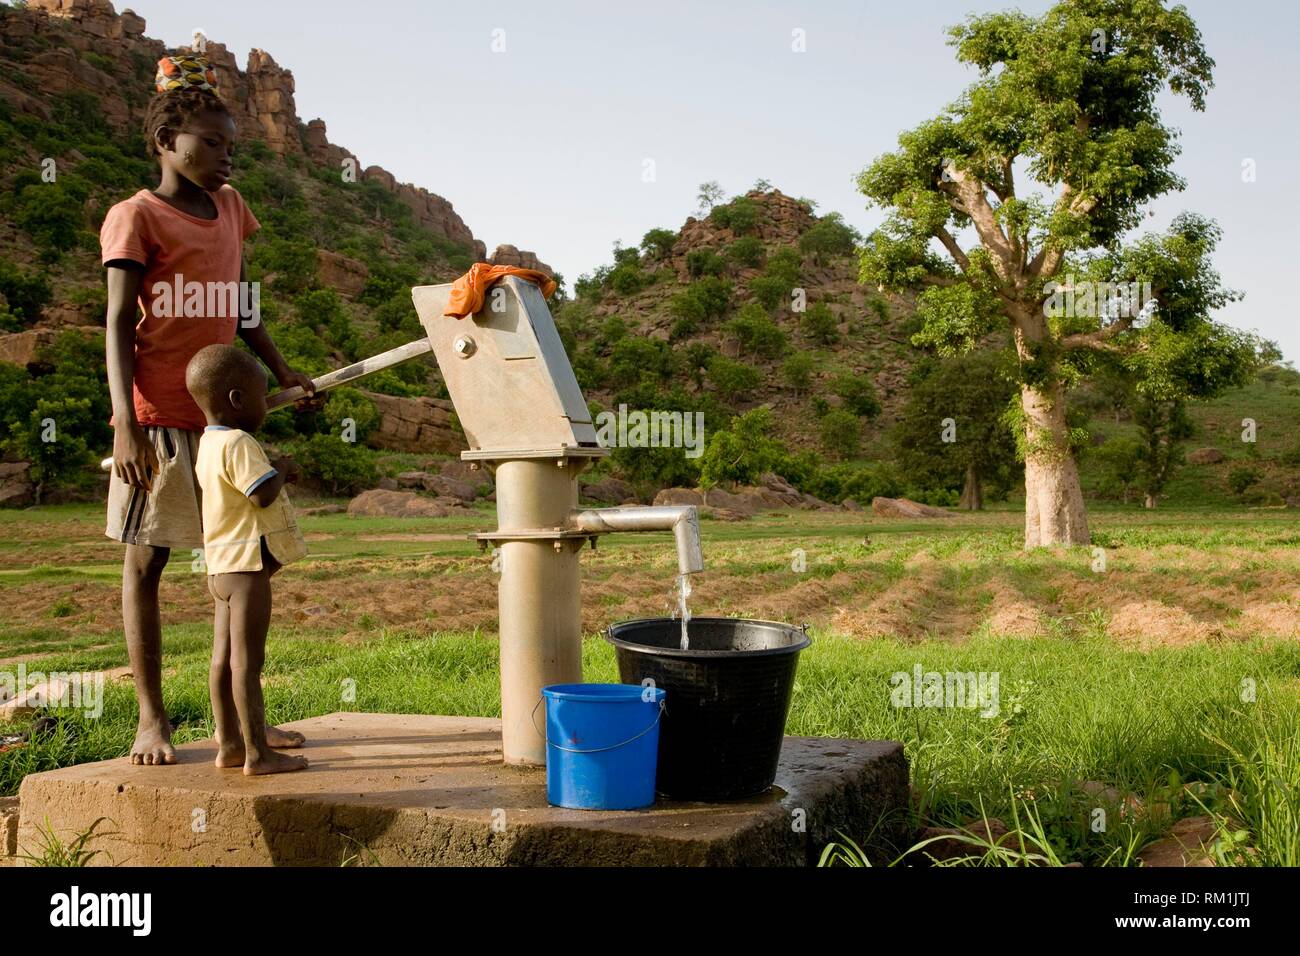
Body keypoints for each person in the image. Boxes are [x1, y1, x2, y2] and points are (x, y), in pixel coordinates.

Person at [101, 55, 316, 765]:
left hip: (224, 422)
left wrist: (281, 369)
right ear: (166, 140)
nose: (226, 157)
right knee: (148, 563)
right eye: (212, 143)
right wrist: (126, 424)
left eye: (232, 146)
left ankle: (244, 729)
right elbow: (115, 324)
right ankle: (151, 720)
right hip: (158, 417)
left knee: (240, 567)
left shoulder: (231, 208)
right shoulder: (135, 216)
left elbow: (239, 299)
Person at [187, 344, 308, 775]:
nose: (266, 404)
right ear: (238, 400)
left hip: (219, 567)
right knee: (247, 663)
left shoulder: (206, 443)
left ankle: (230, 746)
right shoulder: (240, 442)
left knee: (221, 661)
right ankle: (259, 753)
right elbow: (259, 494)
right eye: (261, 396)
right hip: (246, 568)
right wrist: (281, 468)